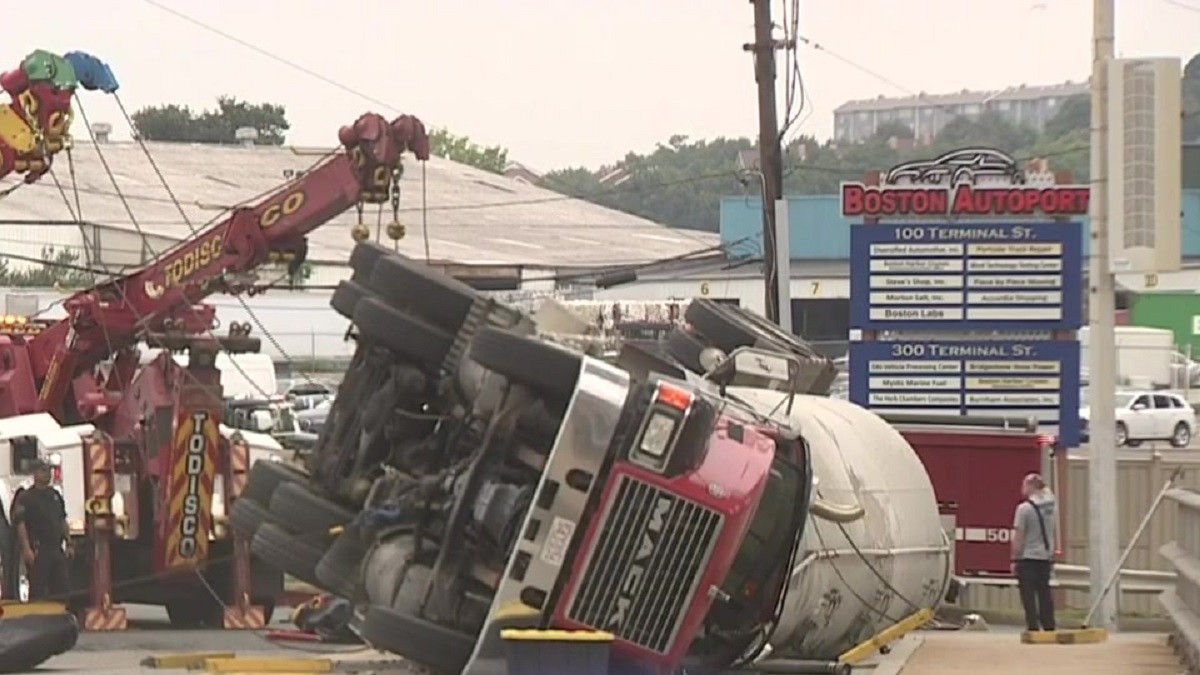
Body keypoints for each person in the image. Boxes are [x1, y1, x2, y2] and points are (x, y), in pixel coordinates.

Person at [11, 460, 72, 601]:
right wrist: (26, 549)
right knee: (38, 589)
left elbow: (62, 520)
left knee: (62, 588)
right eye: (43, 471)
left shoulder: (55, 496)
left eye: (49, 471)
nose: (48, 475)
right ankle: (38, 619)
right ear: (35, 473)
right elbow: (21, 525)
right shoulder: (25, 497)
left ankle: (60, 617)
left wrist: (69, 542)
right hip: (38, 549)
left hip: (56, 548)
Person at [1011, 472, 1057, 632]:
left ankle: (1033, 627)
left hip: (1027, 557)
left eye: (1025, 484)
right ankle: (1049, 625)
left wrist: (1014, 559)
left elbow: (1019, 536)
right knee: (1044, 593)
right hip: (1045, 557)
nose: (1022, 488)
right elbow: (1049, 494)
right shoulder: (1050, 507)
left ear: (1031, 486)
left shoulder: (1023, 509)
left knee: (1028, 595)